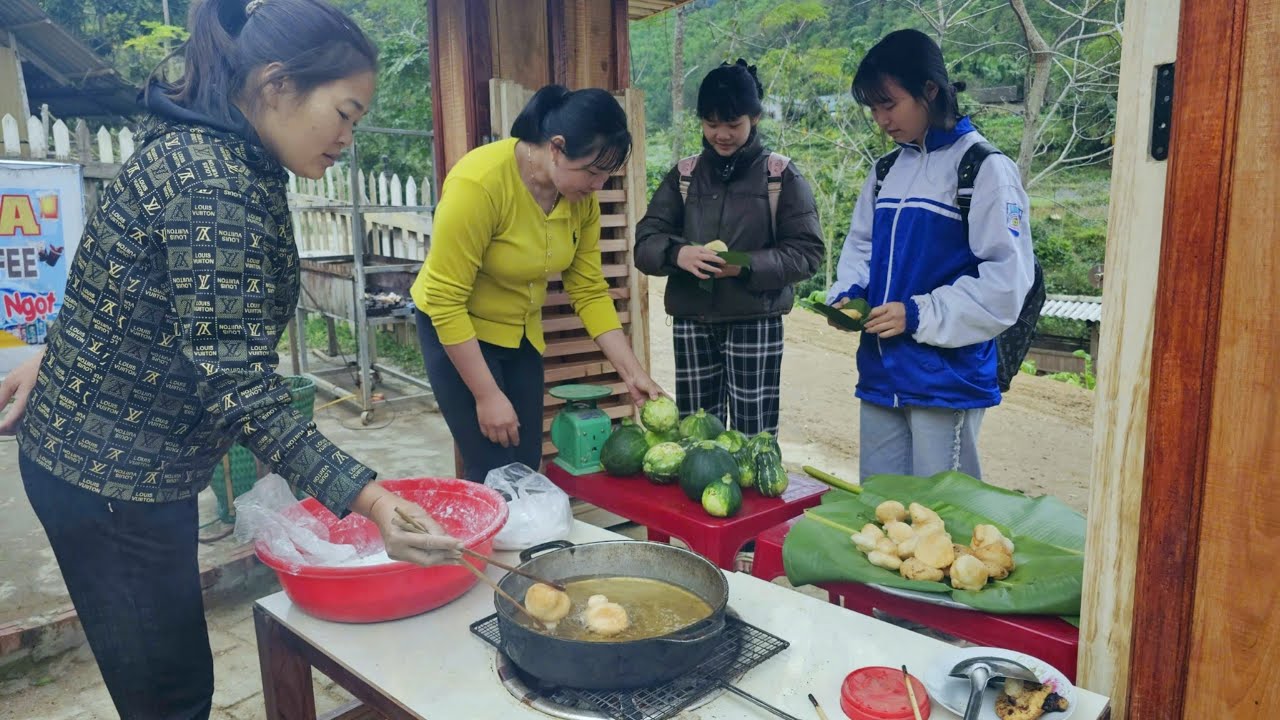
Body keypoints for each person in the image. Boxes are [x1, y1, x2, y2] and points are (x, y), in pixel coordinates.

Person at [0, 1, 460, 717]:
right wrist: (370, 500)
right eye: (344, 112)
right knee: (171, 695)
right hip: (112, 478)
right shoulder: (217, 182)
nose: (347, 136)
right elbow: (242, 389)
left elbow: (132, 271)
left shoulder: (206, 146)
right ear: (276, 85)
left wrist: (58, 351)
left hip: (110, 458)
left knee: (167, 678)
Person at [410, 85, 664, 483]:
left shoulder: (580, 200)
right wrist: (487, 394)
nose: (599, 185)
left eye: (606, 175)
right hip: (458, 332)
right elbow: (444, 300)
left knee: (525, 462)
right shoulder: (479, 183)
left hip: (521, 335)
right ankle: (485, 544)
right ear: (557, 148)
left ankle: (522, 545)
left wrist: (633, 373)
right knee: (492, 467)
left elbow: (589, 290)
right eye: (593, 172)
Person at [826, 29, 1035, 480]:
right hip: (881, 377)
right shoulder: (885, 172)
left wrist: (918, 314)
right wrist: (849, 292)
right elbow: (861, 246)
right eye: (874, 108)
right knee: (882, 520)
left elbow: (1006, 281)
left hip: (946, 382)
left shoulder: (983, 168)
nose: (881, 119)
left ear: (930, 91)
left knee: (944, 529)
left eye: (890, 104)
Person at [635, 60, 823, 434]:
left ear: (754, 118)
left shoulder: (780, 175)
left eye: (732, 124)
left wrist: (744, 265)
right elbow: (645, 242)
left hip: (755, 321)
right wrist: (678, 254)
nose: (721, 134)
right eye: (710, 123)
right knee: (696, 434)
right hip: (693, 321)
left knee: (754, 437)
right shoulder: (684, 175)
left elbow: (807, 252)